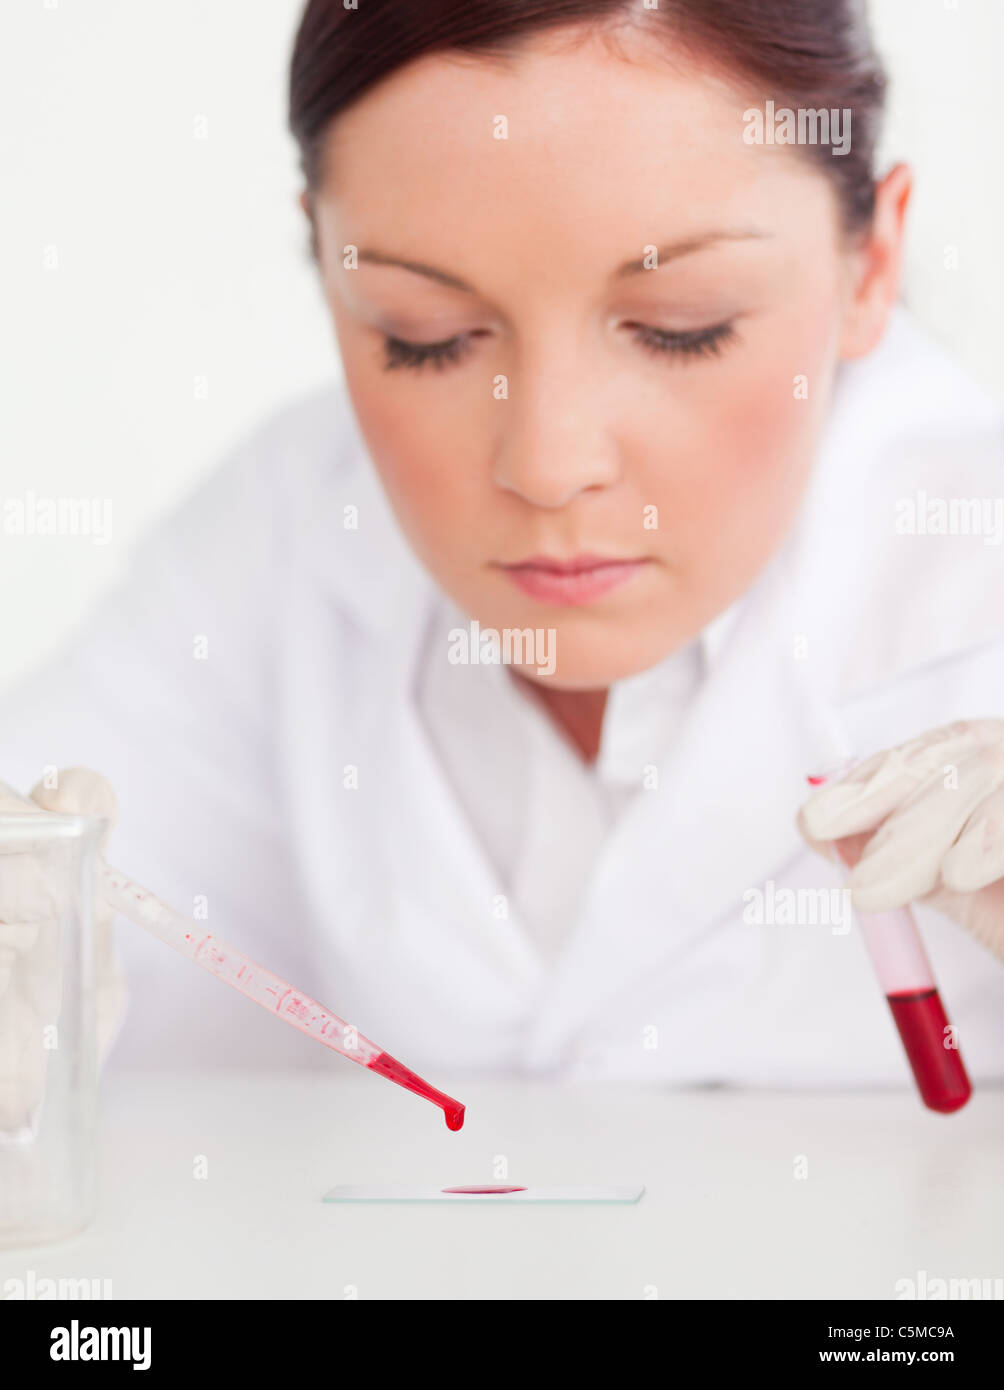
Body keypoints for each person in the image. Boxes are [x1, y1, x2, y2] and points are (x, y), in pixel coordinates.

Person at [1, 0, 1002, 1111]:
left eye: (681, 324)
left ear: (869, 265)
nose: (545, 461)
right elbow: (51, 853)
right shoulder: (286, 529)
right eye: (421, 334)